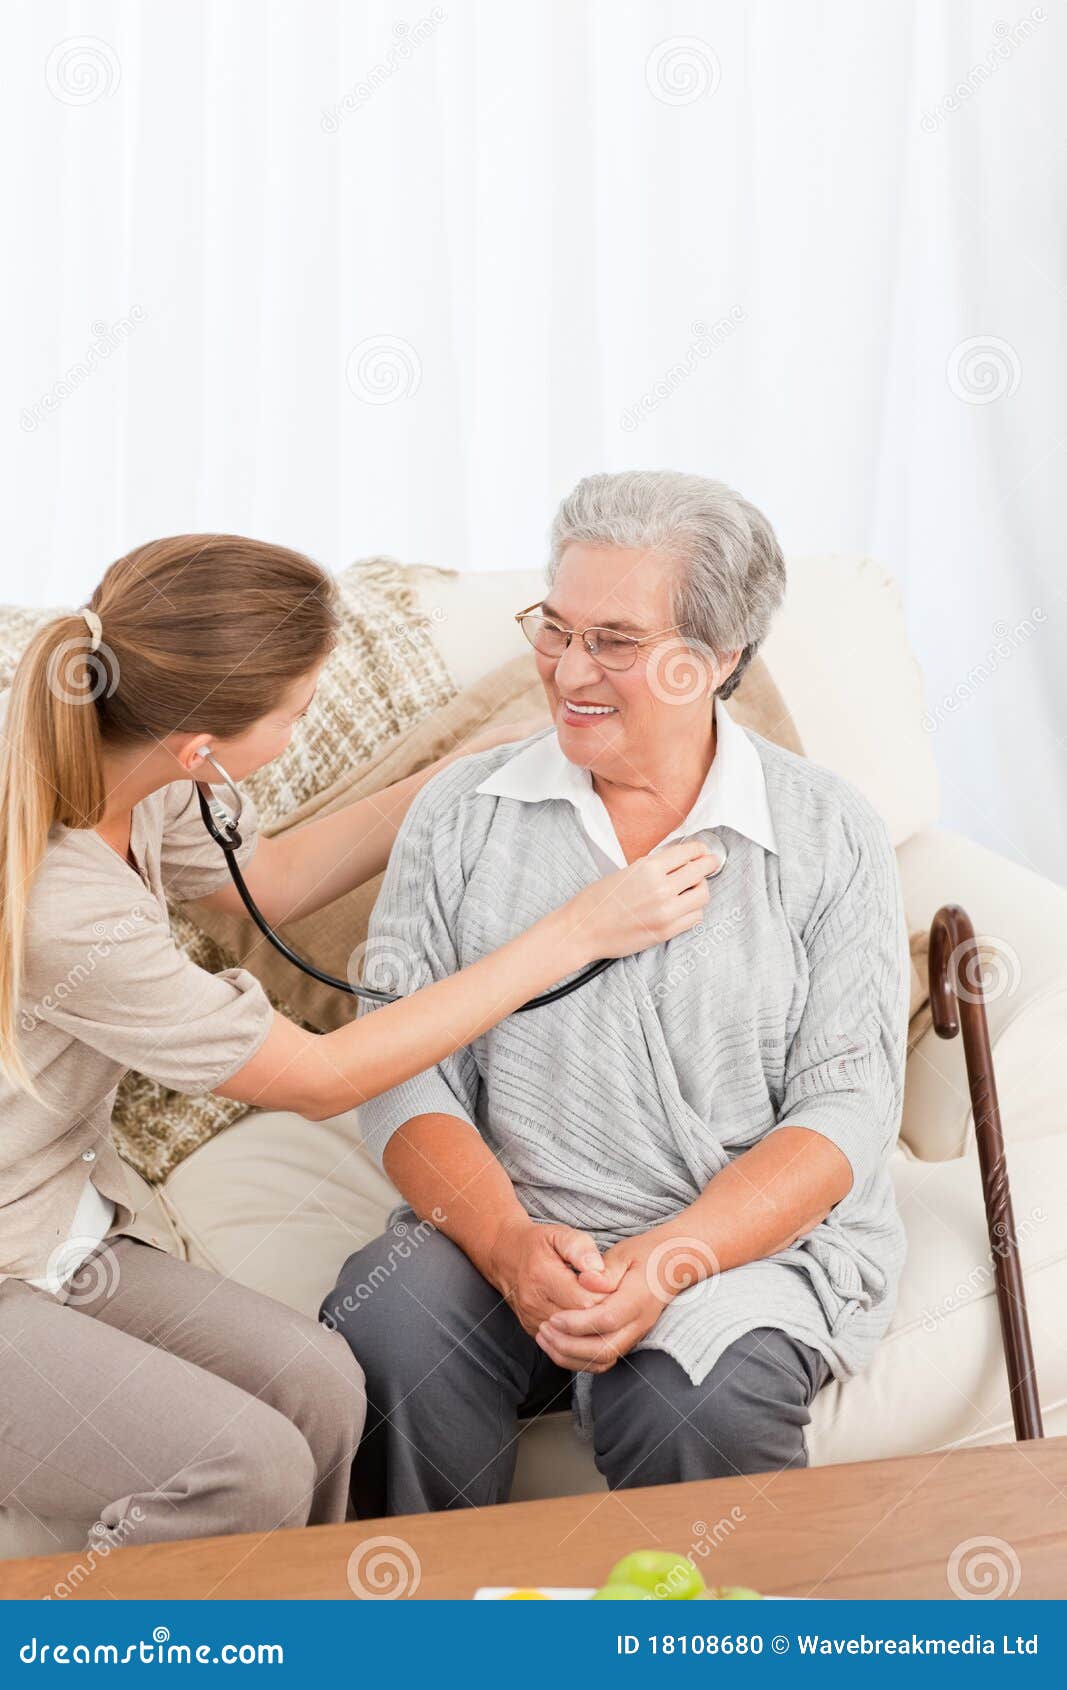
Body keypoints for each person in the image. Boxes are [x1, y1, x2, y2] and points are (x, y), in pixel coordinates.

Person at [0, 532, 717, 1551]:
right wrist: (577, 932)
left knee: (325, 1387)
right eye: (293, 713)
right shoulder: (63, 895)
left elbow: (276, 878)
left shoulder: (136, 768)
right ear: (202, 742)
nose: (296, 735)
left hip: (52, 1225)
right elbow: (324, 1075)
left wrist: (457, 775)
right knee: (245, 1468)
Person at [323, 471, 911, 1516]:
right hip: (508, 1228)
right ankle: (422, 1644)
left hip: (733, 1247)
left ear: (718, 659)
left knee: (693, 1401)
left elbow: (846, 1111)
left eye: (613, 641)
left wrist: (667, 1259)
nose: (566, 671)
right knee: (392, 1322)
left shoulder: (826, 833)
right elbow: (401, 1069)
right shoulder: (464, 812)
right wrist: (506, 1246)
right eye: (553, 630)